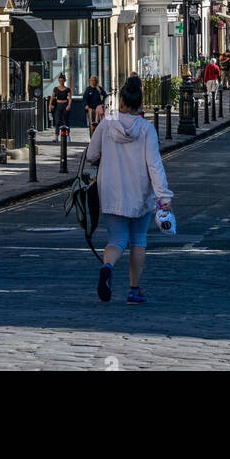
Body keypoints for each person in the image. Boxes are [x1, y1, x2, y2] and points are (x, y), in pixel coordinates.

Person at [85, 74, 173, 305]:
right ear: (139, 104)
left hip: (112, 191)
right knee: (138, 240)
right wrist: (164, 196)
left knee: (116, 239)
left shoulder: (106, 124)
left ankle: (107, 267)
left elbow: (91, 155)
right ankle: (134, 290)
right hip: (140, 193)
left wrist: (104, 156)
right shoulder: (146, 129)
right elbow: (154, 165)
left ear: (121, 102)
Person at [49, 74, 72, 141]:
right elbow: (52, 97)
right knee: (57, 121)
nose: (61, 82)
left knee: (66, 121)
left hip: (65, 105)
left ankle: (68, 136)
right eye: (60, 81)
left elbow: (70, 98)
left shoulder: (67, 89)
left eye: (62, 80)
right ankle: (56, 137)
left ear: (64, 81)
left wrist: (69, 105)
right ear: (59, 81)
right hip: (58, 105)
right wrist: (49, 106)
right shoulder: (55, 89)